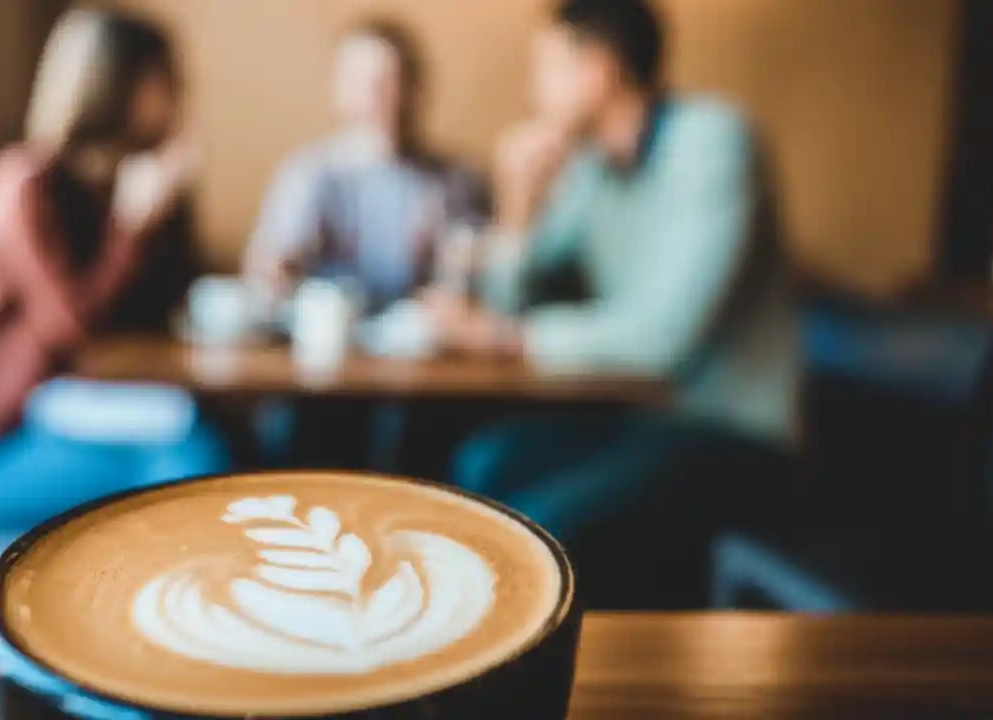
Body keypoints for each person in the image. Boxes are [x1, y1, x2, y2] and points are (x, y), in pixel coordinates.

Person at [432, 0, 800, 549]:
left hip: (734, 430)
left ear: (599, 70)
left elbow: (664, 340)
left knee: (538, 530)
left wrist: (508, 339)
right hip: (642, 418)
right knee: (480, 463)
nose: (536, 91)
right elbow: (509, 301)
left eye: (548, 70)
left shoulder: (715, 144)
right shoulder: (592, 168)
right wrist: (517, 204)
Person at [0, 9, 229, 529]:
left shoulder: (117, 183)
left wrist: (171, 215)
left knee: (208, 439)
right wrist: (130, 228)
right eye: (165, 80)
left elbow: (164, 310)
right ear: (117, 83)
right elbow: (72, 326)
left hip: (66, 408)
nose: (177, 96)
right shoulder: (26, 184)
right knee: (191, 464)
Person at [244, 18, 487, 313]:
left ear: (414, 89)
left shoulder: (454, 180)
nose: (375, 96)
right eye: (360, 81)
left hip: (422, 340)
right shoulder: (309, 173)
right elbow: (268, 270)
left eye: (389, 81)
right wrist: (279, 268)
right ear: (338, 89)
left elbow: (468, 279)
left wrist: (460, 265)